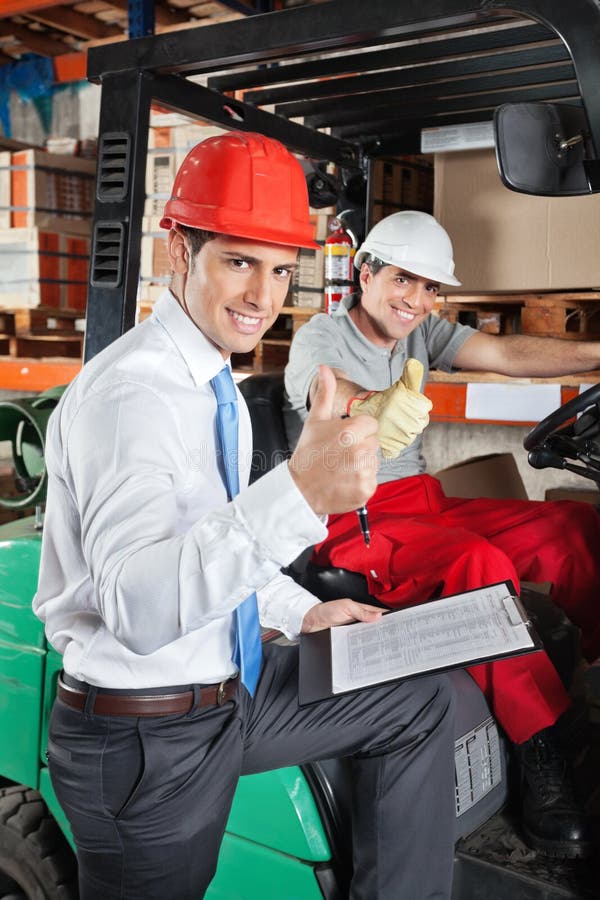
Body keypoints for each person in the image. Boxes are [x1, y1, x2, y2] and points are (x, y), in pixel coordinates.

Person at [33, 134, 457, 900]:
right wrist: (299, 491)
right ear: (179, 251)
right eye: (238, 261)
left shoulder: (214, 387)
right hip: (147, 737)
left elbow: (212, 548)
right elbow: (138, 607)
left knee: (419, 695)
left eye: (282, 270)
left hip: (232, 693)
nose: (263, 295)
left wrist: (308, 610)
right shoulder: (135, 397)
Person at [284, 210, 600, 859]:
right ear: (364, 271)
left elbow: (507, 353)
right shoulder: (320, 337)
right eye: (404, 279)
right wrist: (372, 406)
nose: (416, 299)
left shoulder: (421, 330)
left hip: (424, 505)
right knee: (478, 564)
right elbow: (323, 388)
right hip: (354, 518)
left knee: (572, 529)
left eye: (430, 287)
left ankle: (580, 703)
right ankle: (539, 748)